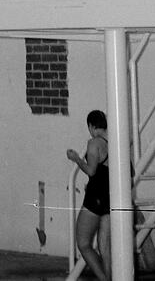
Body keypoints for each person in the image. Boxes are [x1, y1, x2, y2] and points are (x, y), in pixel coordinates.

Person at [67, 108, 111, 281]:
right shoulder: (114, 142)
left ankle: (104, 279)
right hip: (110, 197)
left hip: (95, 198)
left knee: (84, 243)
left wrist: (77, 159)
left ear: (91, 126)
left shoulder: (94, 143)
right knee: (105, 247)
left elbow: (91, 171)